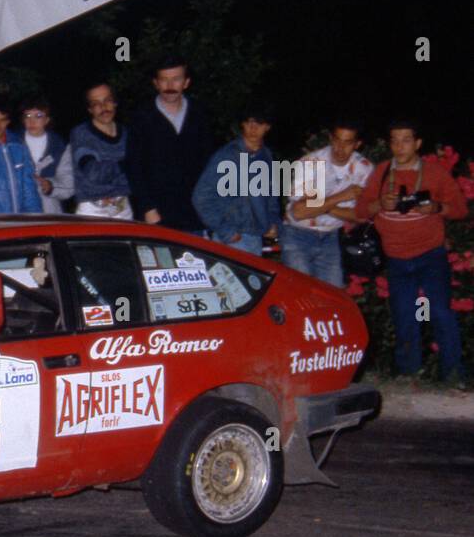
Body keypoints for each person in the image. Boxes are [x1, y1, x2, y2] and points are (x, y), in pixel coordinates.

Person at [355, 120, 469, 386]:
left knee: (439, 312)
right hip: (396, 258)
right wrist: (379, 203)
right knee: (405, 315)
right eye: (394, 140)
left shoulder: (434, 173)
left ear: (418, 143)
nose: (399, 146)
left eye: (406, 140)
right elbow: (361, 211)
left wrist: (436, 208)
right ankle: (409, 375)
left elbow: (461, 209)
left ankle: (452, 374)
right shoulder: (382, 172)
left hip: (430, 256)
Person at [125, 55, 214, 232]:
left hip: (194, 214)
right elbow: (133, 166)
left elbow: (209, 163)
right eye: (164, 80)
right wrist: (147, 208)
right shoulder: (142, 117)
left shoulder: (200, 114)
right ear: (155, 83)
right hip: (156, 215)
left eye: (176, 79)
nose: (170, 86)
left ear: (186, 82)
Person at [282, 120, 374, 286]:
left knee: (333, 293)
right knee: (300, 291)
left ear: (357, 144)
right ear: (331, 138)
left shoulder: (364, 169)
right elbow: (299, 212)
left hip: (331, 236)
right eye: (337, 140)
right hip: (297, 233)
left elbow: (360, 216)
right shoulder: (310, 163)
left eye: (347, 142)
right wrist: (342, 197)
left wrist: (318, 205)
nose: (340, 148)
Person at [192, 105, 282, 256]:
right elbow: (201, 197)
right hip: (233, 237)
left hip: (255, 237)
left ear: (267, 126)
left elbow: (271, 197)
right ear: (242, 124)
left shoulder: (266, 156)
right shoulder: (227, 156)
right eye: (248, 122)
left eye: (258, 123)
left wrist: (273, 223)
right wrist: (225, 231)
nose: (253, 127)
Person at [59, 82, 133, 219]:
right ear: (90, 109)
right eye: (96, 103)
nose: (103, 107)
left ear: (115, 102)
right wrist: (126, 165)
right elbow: (93, 172)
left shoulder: (127, 133)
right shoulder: (81, 134)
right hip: (93, 211)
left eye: (107, 100)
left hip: (123, 208)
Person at [18, 96, 70, 213]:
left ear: (47, 120)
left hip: (49, 209)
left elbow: (68, 185)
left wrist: (50, 186)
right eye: (28, 116)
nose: (32, 121)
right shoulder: (12, 143)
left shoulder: (59, 146)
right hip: (18, 208)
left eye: (39, 116)